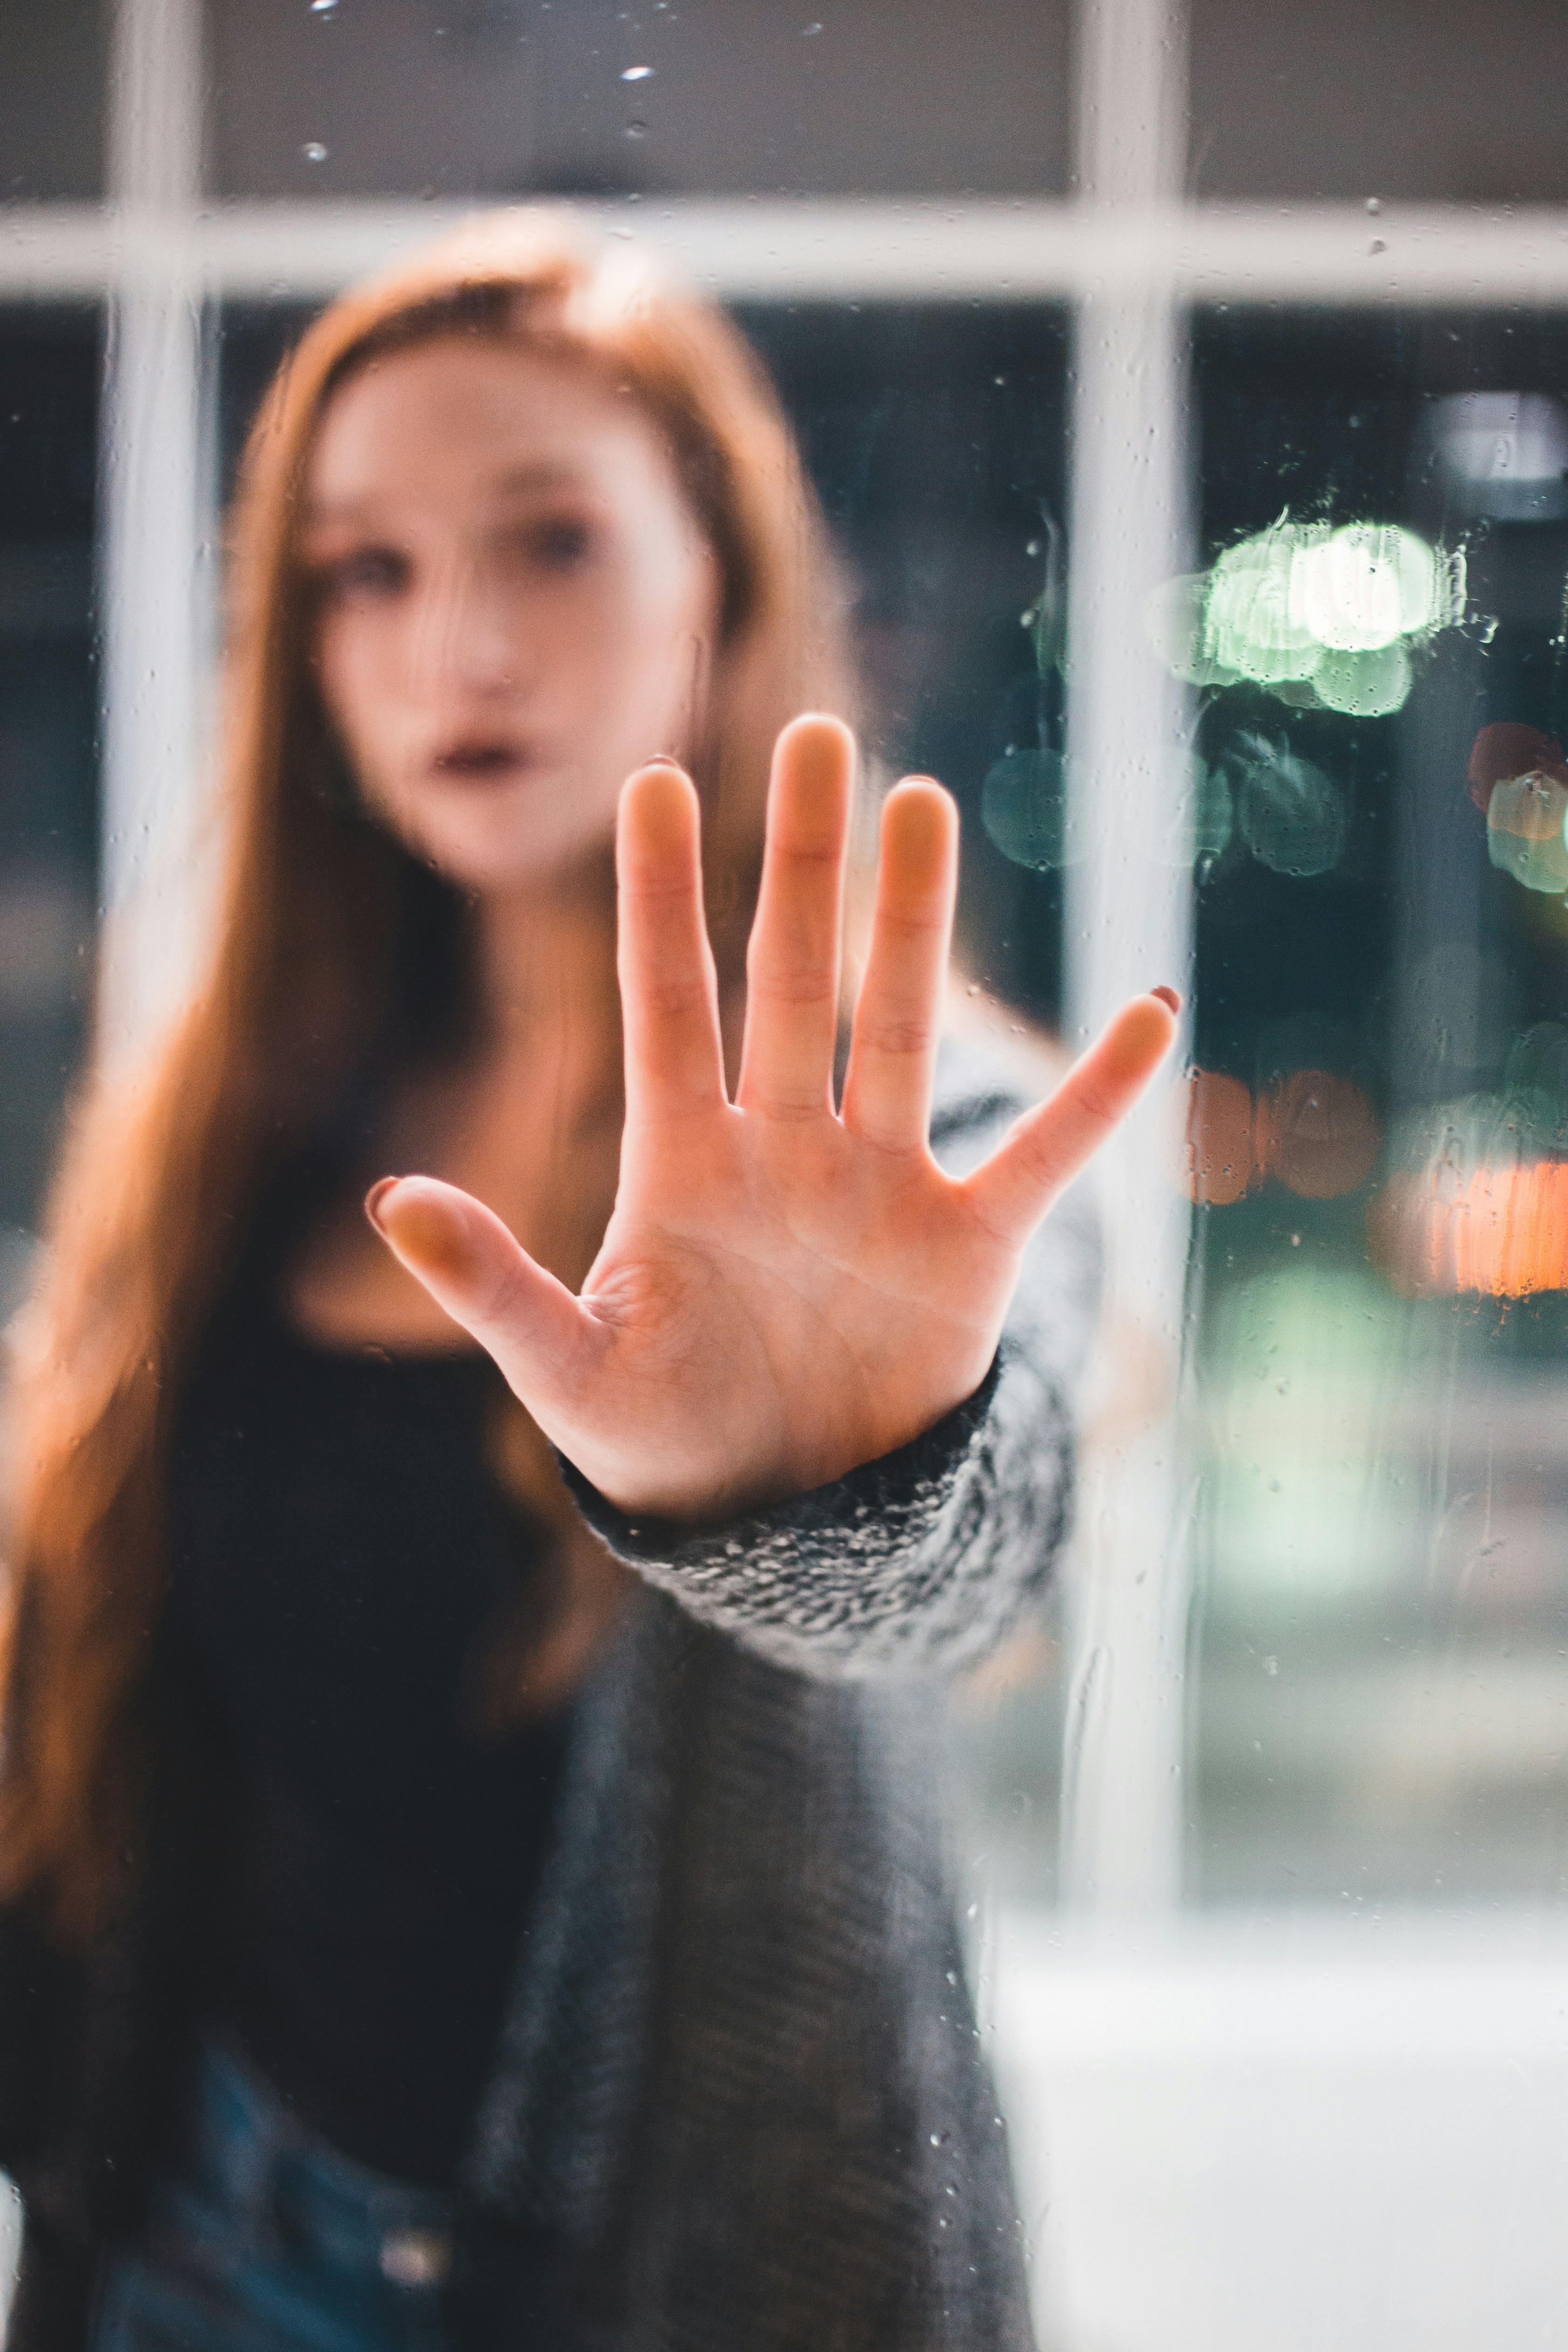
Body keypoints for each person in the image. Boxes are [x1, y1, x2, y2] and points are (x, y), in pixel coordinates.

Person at [0, 211, 1175, 2352]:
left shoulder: (907, 1153)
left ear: (715, 592)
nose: (454, 643)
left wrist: (831, 1478)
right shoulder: (223, 1118)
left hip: (667, 2278)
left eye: (548, 542)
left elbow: (972, 1554)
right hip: (188, 2228)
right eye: (365, 570)